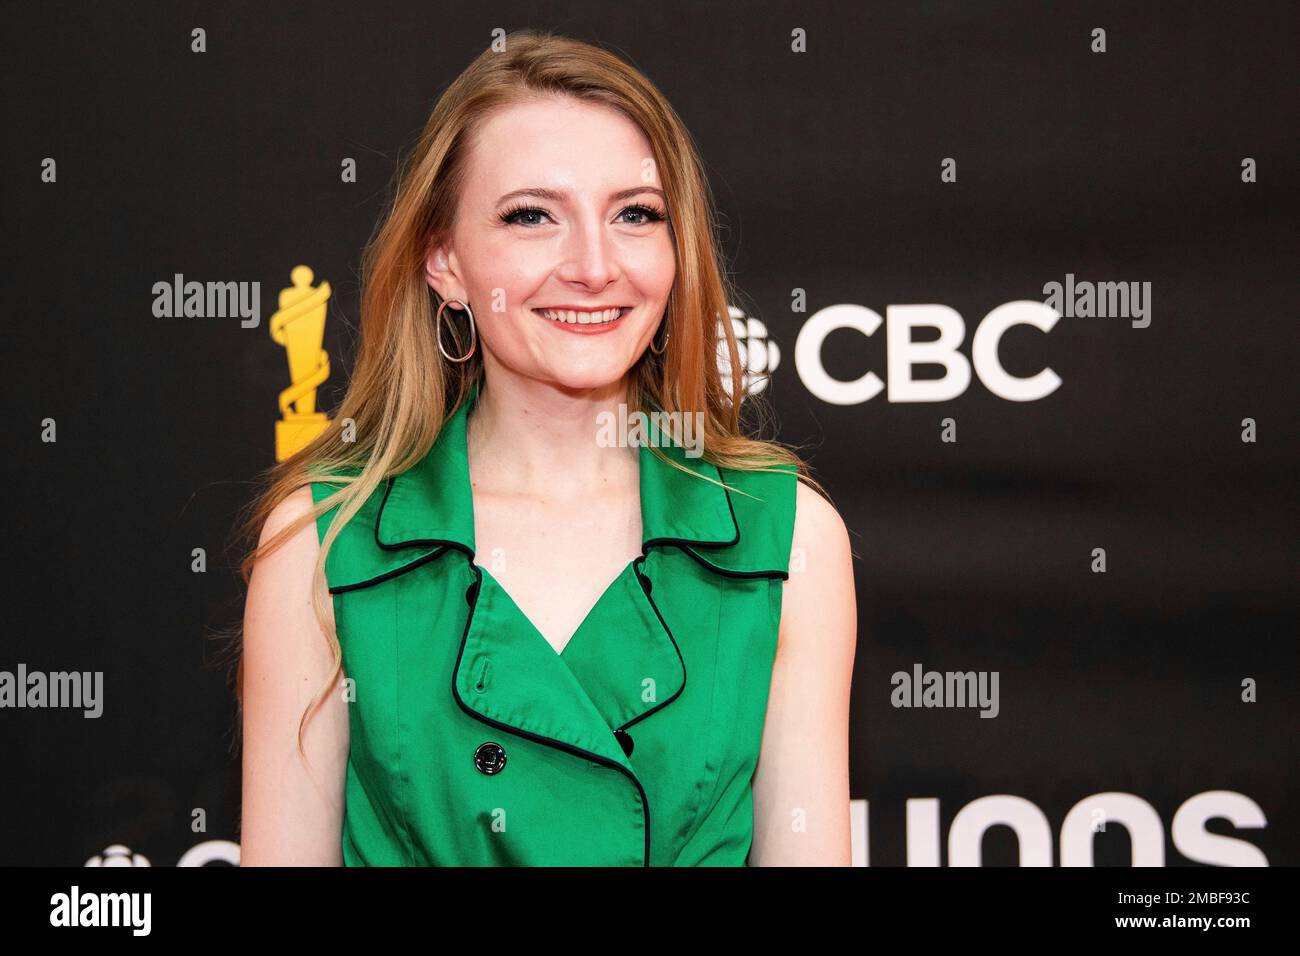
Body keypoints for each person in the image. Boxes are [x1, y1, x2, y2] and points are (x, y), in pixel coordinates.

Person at [236, 29, 856, 866]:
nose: (595, 266)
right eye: (533, 216)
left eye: (634, 215)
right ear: (445, 261)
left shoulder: (786, 535)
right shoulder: (325, 540)